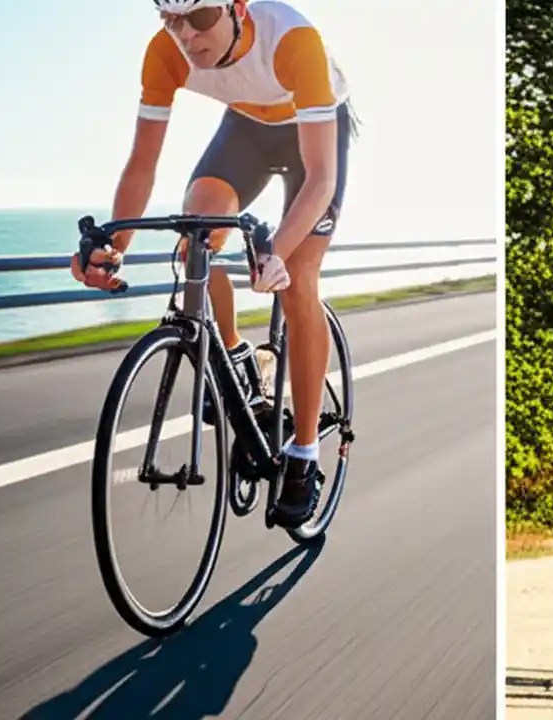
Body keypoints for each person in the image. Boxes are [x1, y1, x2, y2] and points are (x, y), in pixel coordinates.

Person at [70, 0, 355, 529]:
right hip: (245, 130)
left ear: (237, 8)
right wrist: (116, 246)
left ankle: (303, 453)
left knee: (297, 280)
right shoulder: (165, 53)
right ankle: (236, 356)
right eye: (171, 21)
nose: (187, 36)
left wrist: (275, 253)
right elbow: (142, 164)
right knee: (196, 236)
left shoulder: (292, 41)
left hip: (313, 137)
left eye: (200, 18)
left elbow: (321, 180)